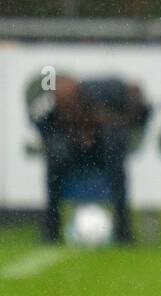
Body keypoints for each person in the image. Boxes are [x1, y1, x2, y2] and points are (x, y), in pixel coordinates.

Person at [28, 75, 151, 244]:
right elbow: (41, 127)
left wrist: (117, 123)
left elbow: (141, 105)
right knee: (55, 160)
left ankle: (123, 230)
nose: (67, 109)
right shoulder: (52, 111)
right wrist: (70, 138)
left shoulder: (104, 94)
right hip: (73, 150)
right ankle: (52, 230)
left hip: (102, 148)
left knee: (116, 158)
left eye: (68, 105)